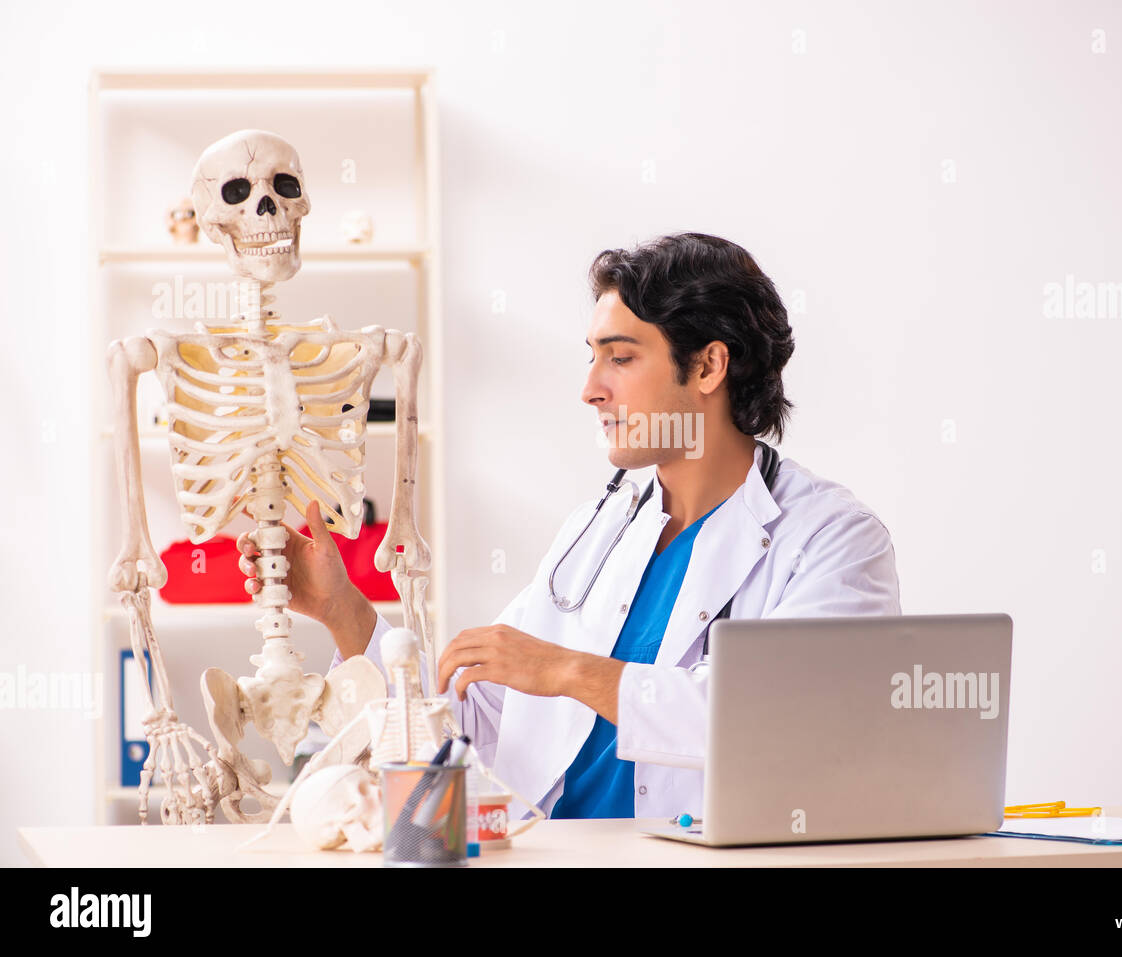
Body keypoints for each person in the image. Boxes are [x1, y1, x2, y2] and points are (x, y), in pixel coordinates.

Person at [238, 232, 901, 821]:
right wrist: (343, 610)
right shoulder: (599, 530)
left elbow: (796, 722)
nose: (590, 389)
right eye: (592, 357)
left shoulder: (832, 540)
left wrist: (568, 671)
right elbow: (475, 721)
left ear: (708, 366)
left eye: (621, 358)